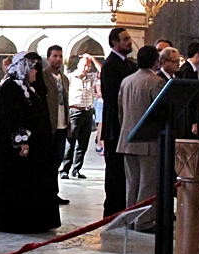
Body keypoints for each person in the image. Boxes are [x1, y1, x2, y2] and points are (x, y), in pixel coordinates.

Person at [0, 53, 61, 233]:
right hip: (17, 152)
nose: (36, 72)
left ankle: (35, 220)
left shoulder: (24, 87)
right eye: (32, 68)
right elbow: (12, 117)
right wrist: (22, 141)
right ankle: (16, 221)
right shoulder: (10, 88)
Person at [116, 46, 166, 230]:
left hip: (128, 139)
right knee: (147, 184)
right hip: (147, 142)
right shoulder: (156, 82)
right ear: (156, 61)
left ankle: (130, 219)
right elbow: (159, 113)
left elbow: (120, 111)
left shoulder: (127, 81)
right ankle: (144, 221)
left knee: (132, 183)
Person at [101, 27, 137, 217]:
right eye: (125, 39)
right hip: (116, 124)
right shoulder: (111, 65)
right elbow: (114, 97)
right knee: (114, 169)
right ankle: (113, 209)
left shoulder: (129, 64)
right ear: (115, 43)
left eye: (129, 38)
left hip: (126, 124)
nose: (129, 42)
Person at [61, 53, 101, 179]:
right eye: (84, 66)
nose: (86, 69)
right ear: (78, 65)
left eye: (88, 66)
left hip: (87, 112)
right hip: (74, 112)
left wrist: (93, 59)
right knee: (70, 143)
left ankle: (76, 169)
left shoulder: (91, 77)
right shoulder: (70, 77)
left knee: (82, 144)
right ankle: (64, 170)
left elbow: (103, 72)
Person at [42, 45, 71, 203]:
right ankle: (46, 193)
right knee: (47, 162)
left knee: (57, 160)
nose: (58, 59)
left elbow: (66, 103)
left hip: (62, 126)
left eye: (60, 56)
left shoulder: (64, 78)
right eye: (55, 56)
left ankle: (53, 192)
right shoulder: (43, 77)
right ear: (48, 58)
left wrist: (69, 124)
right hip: (49, 126)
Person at [176, 41, 199, 138]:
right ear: (197, 55)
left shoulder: (190, 70)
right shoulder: (187, 71)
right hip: (186, 119)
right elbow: (189, 98)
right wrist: (193, 121)